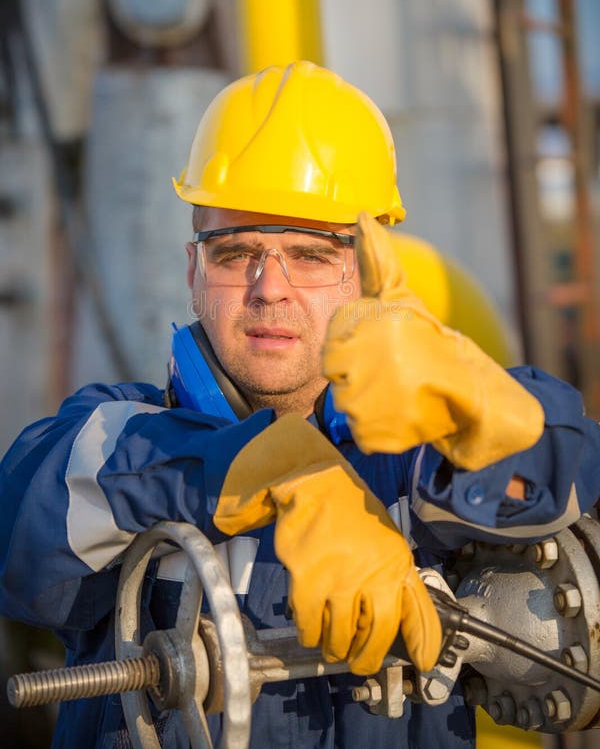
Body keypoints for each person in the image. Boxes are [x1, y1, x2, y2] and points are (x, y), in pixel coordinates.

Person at [1, 60, 599, 748]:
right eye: (235, 253)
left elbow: (571, 469)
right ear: (193, 271)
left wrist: (483, 420)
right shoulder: (119, 438)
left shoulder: (418, 460)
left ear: (370, 271)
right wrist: (272, 468)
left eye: (310, 255)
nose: (268, 288)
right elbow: (21, 529)